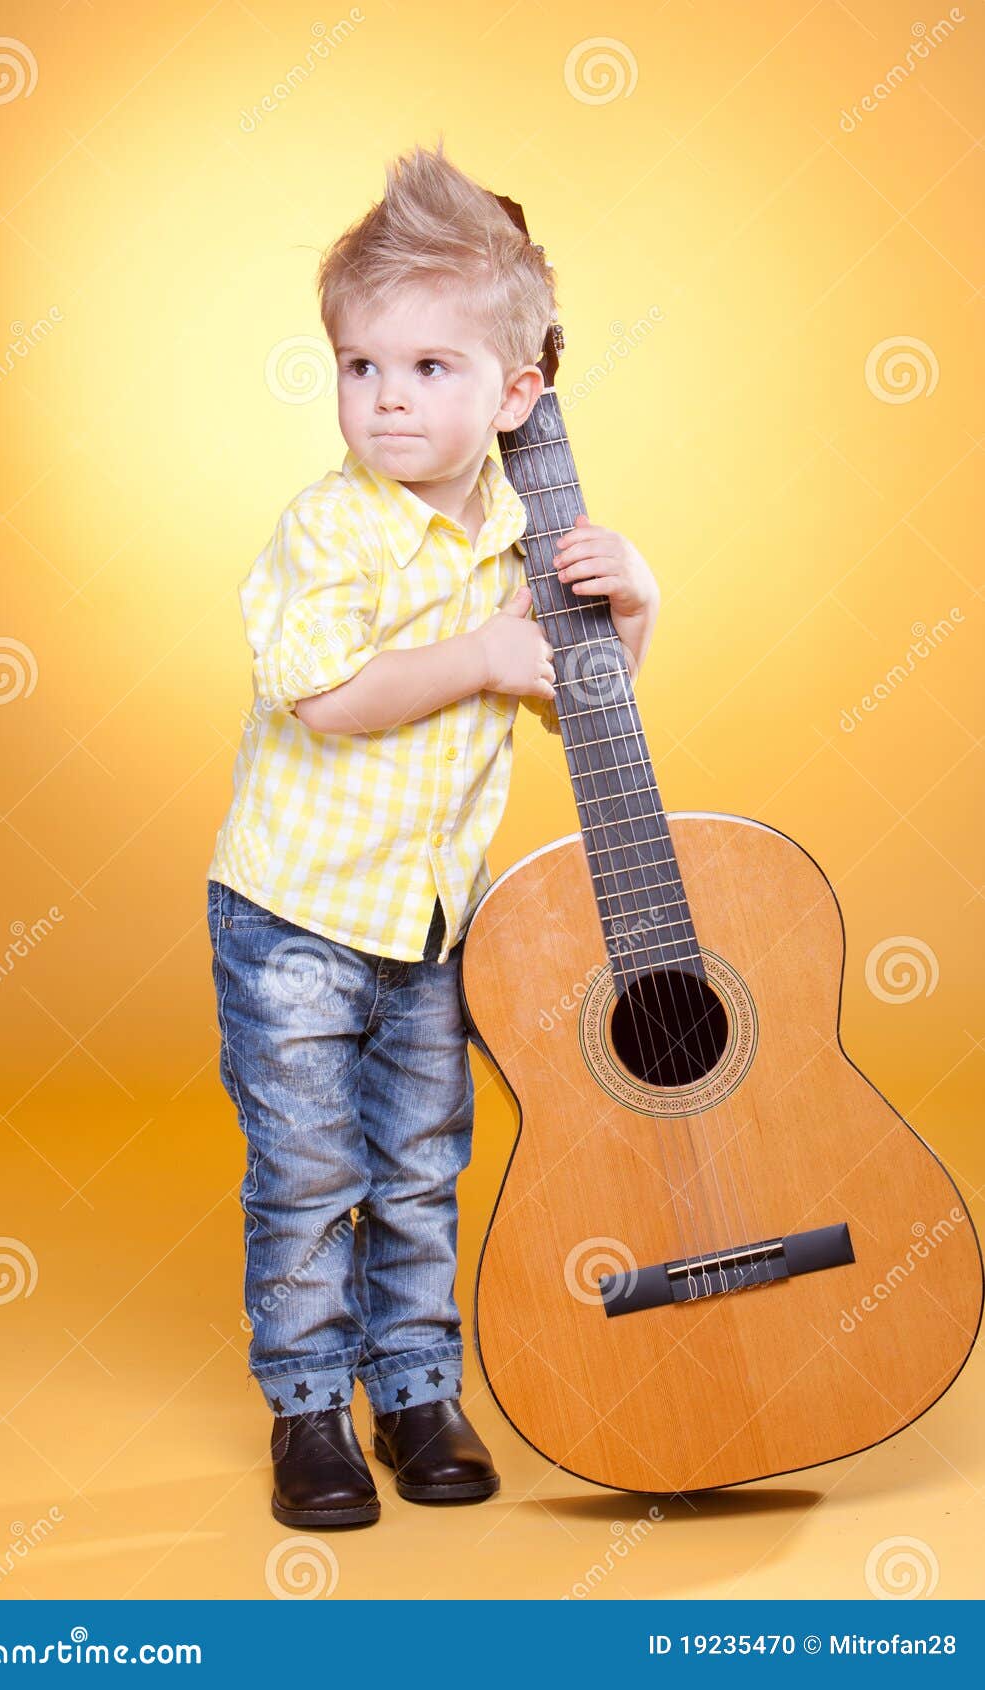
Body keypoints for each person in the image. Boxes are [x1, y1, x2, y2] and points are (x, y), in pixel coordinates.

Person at [206, 139, 660, 1528]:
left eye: (429, 369)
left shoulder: (530, 528)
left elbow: (579, 708)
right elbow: (330, 699)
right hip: (292, 913)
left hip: (429, 923)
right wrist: (479, 655)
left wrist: (633, 609)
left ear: (518, 391)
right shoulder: (329, 532)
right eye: (361, 367)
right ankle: (306, 1409)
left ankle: (415, 1387)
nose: (387, 399)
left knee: (419, 1161)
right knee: (307, 1172)